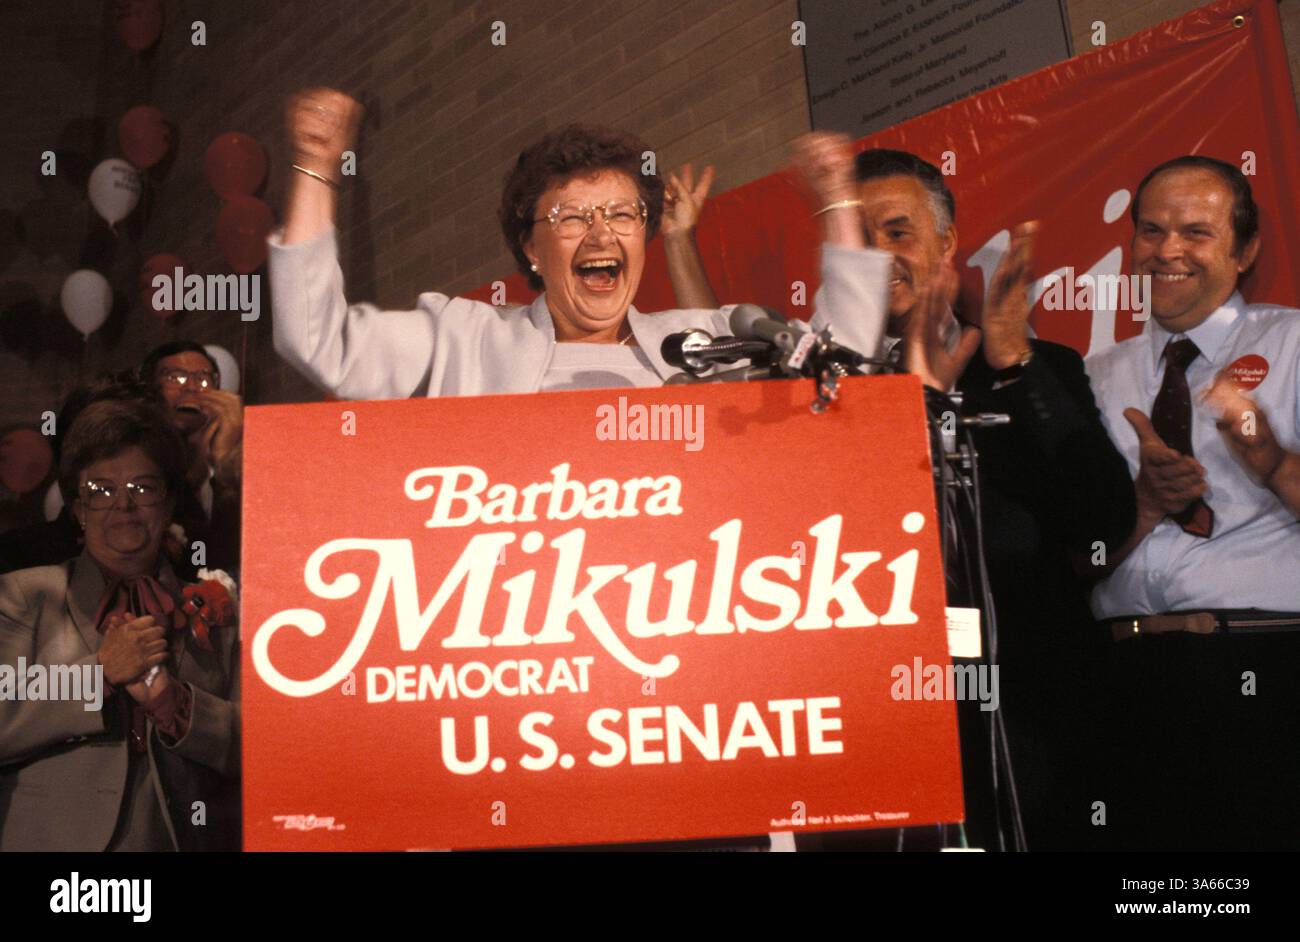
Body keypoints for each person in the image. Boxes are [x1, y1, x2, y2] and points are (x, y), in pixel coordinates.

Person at [664, 141, 1136, 850]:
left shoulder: (1024, 368)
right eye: (865, 235)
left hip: (1030, 721)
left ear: (946, 241)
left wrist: (1012, 360)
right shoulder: (813, 390)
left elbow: (1102, 522)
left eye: (899, 231)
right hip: (876, 728)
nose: (882, 256)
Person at [268, 89, 890, 398]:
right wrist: (316, 167)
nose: (602, 234)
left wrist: (838, 200)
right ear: (531, 249)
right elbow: (320, 340)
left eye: (623, 214)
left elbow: (841, 362)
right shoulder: (461, 340)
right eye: (571, 217)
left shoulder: (705, 344)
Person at [1084, 155, 1300, 849]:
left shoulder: (1294, 344)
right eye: (1151, 230)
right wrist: (1143, 507)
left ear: (1246, 251)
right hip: (1126, 680)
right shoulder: (1094, 375)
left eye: (1196, 232)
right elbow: (1071, 553)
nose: (1167, 250)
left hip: (1263, 670)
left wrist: (1269, 458)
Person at [0, 398, 240, 851]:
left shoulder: (215, 610)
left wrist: (178, 704)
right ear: (78, 507)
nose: (124, 505)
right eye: (101, 490)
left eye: (143, 488)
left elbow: (259, 748)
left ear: (168, 502)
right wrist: (99, 675)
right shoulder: (22, 597)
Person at [140, 341, 243, 573]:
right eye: (175, 378)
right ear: (150, 391)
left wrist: (229, 464)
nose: (191, 388)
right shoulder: (140, 469)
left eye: (204, 379)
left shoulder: (237, 469)